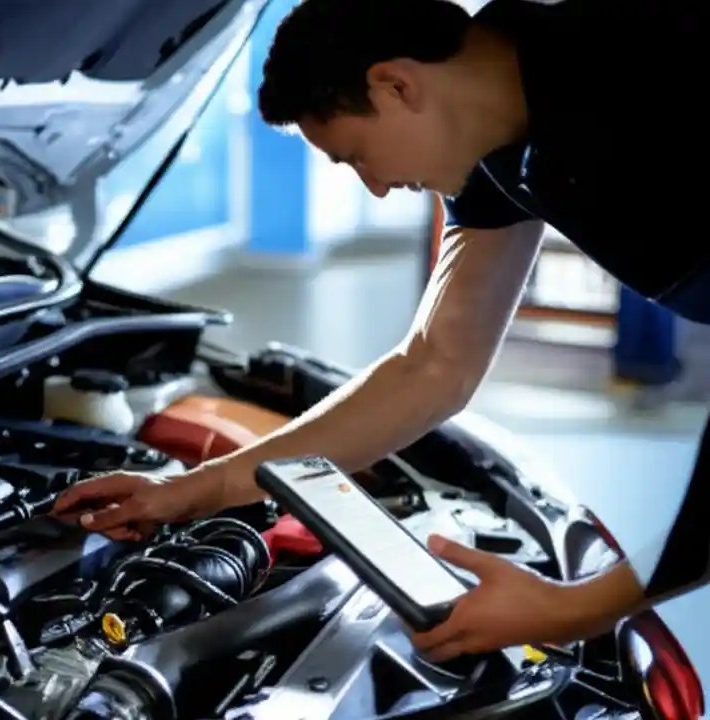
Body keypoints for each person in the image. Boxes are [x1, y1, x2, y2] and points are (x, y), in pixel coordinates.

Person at [53, 0, 710, 662]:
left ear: (396, 84)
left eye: (357, 156)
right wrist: (198, 487)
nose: (375, 187)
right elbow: (433, 366)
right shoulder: (501, 142)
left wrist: (578, 607)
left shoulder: (648, 70)